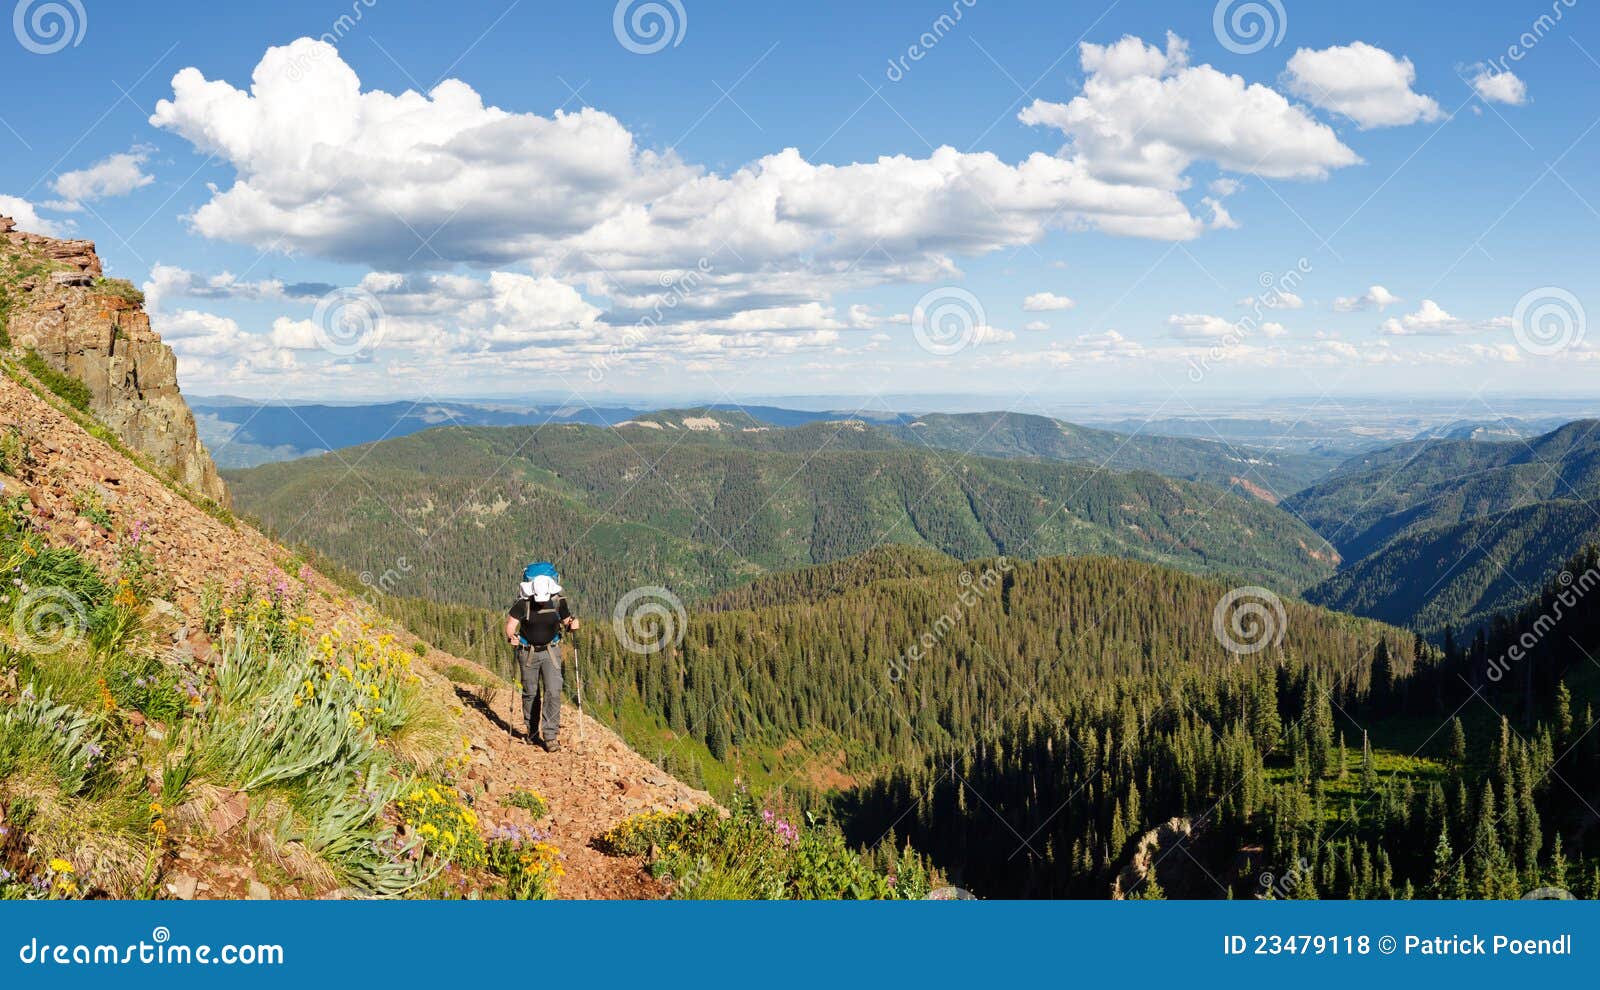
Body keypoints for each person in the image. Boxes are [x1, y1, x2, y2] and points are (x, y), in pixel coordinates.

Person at [504, 568, 579, 752]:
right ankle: (532, 732)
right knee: (531, 692)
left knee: (553, 690)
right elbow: (511, 624)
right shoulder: (523, 604)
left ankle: (550, 736)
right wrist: (511, 636)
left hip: (550, 651)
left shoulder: (558, 602)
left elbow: (566, 621)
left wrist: (572, 625)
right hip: (527, 651)